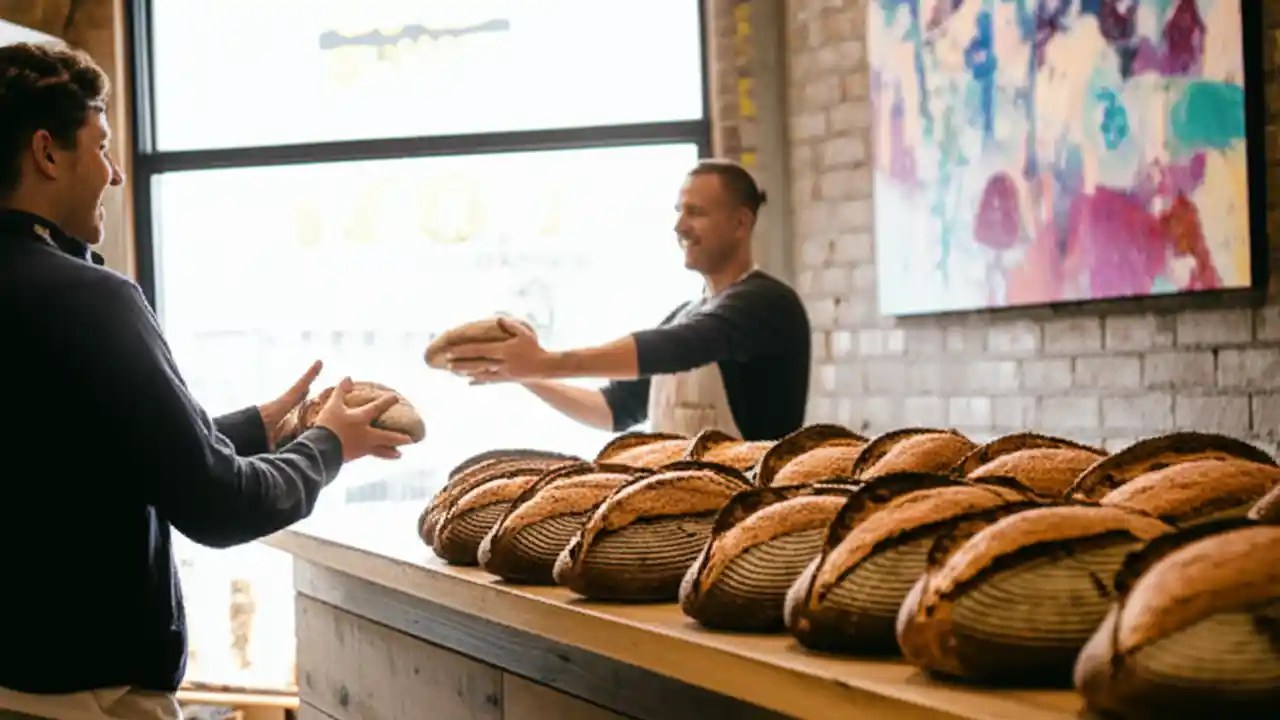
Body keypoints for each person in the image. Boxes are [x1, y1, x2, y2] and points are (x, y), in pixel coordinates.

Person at [0, 42, 414, 720]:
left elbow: (85, 463)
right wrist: (328, 446)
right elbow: (219, 505)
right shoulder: (89, 298)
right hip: (88, 705)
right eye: (101, 147)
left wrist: (259, 426)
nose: (114, 175)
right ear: (46, 152)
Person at [445, 159, 811, 442]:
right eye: (679, 211)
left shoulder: (765, 304)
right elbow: (612, 410)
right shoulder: (685, 314)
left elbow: (678, 346)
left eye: (696, 212)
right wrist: (524, 375)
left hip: (748, 519)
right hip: (681, 521)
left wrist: (544, 362)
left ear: (740, 224)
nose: (679, 226)